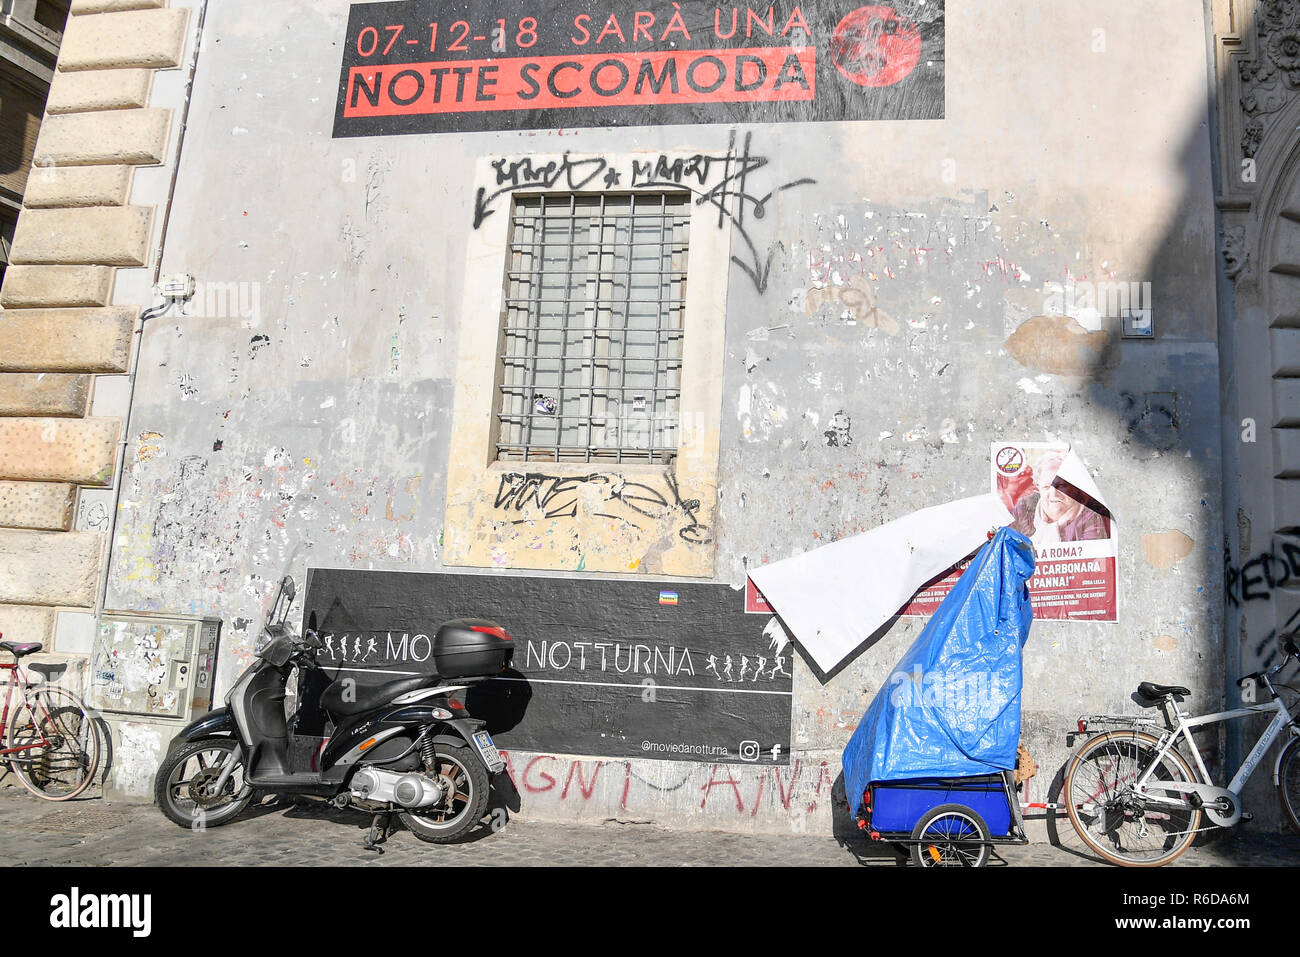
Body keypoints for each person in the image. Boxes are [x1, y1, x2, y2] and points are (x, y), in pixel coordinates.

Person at [1010, 452, 1109, 544]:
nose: (1053, 494)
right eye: (1046, 487)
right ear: (1038, 487)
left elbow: (1093, 559)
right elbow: (1006, 545)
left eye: (1061, 486)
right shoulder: (1023, 508)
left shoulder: (1091, 515)